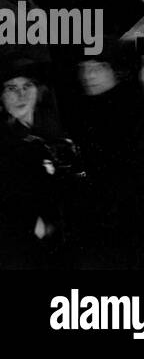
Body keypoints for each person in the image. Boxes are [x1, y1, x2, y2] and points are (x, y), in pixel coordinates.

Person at [69, 41, 144, 270]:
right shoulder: (88, 106)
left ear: (116, 71)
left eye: (98, 68)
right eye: (84, 68)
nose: (89, 75)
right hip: (103, 219)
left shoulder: (143, 110)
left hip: (130, 217)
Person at [0, 53, 82, 268]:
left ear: (38, 92)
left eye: (27, 86)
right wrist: (34, 226)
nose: (21, 94)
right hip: (21, 250)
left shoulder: (50, 135)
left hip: (58, 244)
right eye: (11, 88)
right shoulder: (5, 142)